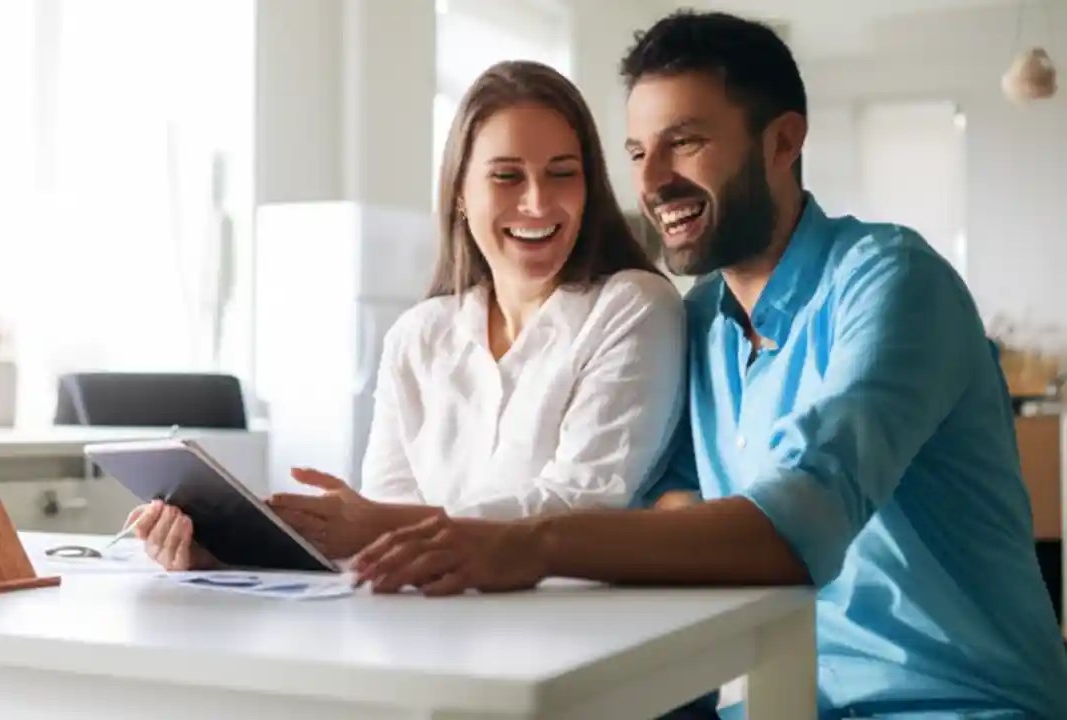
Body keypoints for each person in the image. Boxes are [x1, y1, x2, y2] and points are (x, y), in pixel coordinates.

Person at [350, 11, 1067, 719]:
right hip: (772, 699)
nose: (654, 181)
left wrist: (526, 544)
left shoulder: (891, 282)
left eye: (685, 143)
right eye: (636, 153)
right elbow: (647, 517)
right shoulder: (699, 324)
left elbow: (796, 525)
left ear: (783, 141)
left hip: (951, 702)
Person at [125, 60, 687, 570]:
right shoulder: (419, 336)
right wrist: (222, 560)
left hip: (583, 637)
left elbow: (581, 506)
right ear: (461, 192)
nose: (538, 202)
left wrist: (377, 525)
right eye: (506, 176)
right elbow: (381, 544)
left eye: (563, 172)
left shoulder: (631, 307)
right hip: (434, 630)